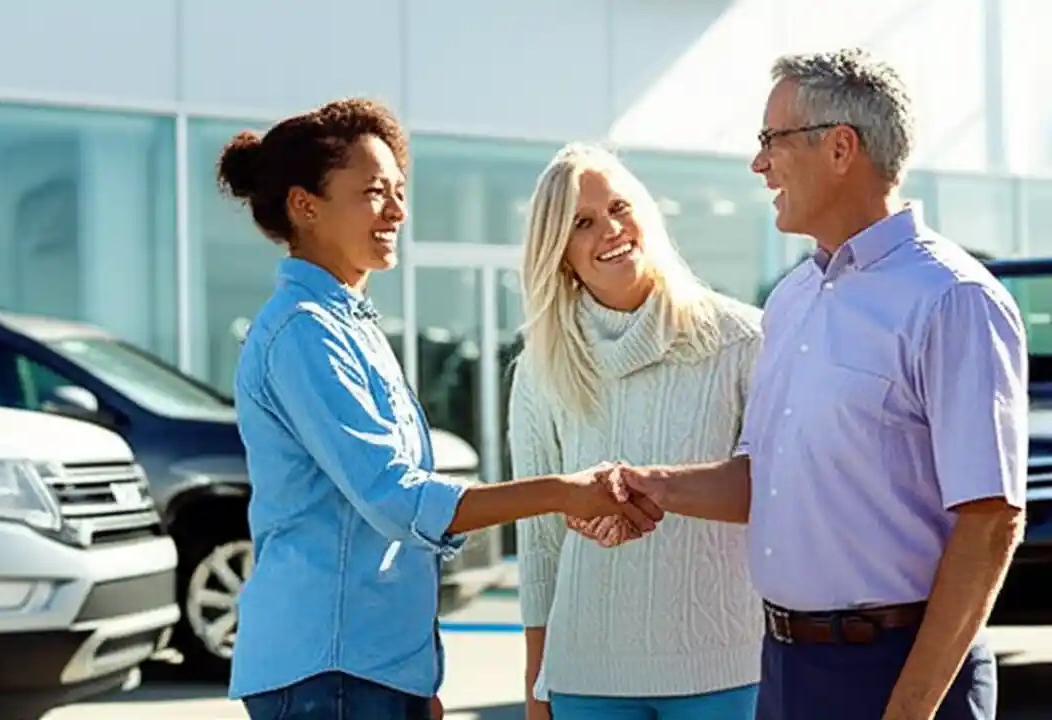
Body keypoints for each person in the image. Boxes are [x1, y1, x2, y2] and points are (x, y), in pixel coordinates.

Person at [589, 48, 1028, 719]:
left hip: (903, 675)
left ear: (841, 147)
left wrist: (908, 710)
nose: (758, 163)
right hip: (788, 669)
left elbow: (992, 519)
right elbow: (762, 474)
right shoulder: (794, 297)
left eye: (772, 139)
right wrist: (651, 487)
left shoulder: (954, 299)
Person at [216, 98, 661, 720]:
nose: (397, 210)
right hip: (330, 670)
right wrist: (564, 493)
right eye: (374, 192)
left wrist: (416, 677)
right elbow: (397, 498)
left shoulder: (350, 324)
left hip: (371, 668)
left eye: (399, 190)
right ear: (305, 206)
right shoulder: (304, 331)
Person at [510, 142, 764, 720]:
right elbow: (540, 539)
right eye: (583, 222)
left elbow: (774, 492)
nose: (611, 230)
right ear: (560, 252)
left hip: (725, 669)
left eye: (620, 207)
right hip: (586, 674)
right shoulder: (541, 363)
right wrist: (536, 682)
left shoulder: (743, 340)